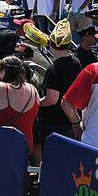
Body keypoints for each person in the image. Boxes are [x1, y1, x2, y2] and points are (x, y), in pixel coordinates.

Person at [34, 24, 83, 162]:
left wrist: (35, 102)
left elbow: (52, 99)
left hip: (54, 123)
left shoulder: (54, 68)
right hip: (71, 120)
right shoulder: (76, 62)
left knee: (52, 161)